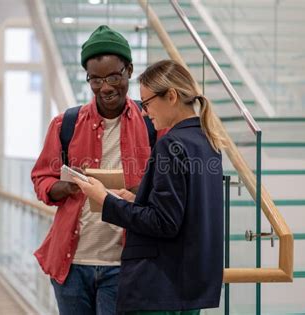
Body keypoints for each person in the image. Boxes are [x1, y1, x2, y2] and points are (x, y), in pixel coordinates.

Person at [73, 59, 226, 314]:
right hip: (189, 287)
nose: (144, 112)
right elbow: (184, 215)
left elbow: (163, 223)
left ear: (172, 96)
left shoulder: (171, 145)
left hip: (161, 287)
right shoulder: (207, 142)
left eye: (147, 103)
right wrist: (136, 201)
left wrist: (106, 200)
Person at [31, 25, 156, 315]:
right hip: (72, 265)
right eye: (96, 79)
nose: (106, 87)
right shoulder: (66, 124)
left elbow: (164, 185)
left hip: (124, 265)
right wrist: (62, 187)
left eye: (114, 76)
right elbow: (41, 178)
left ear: (129, 71)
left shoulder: (151, 122)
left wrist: (139, 192)